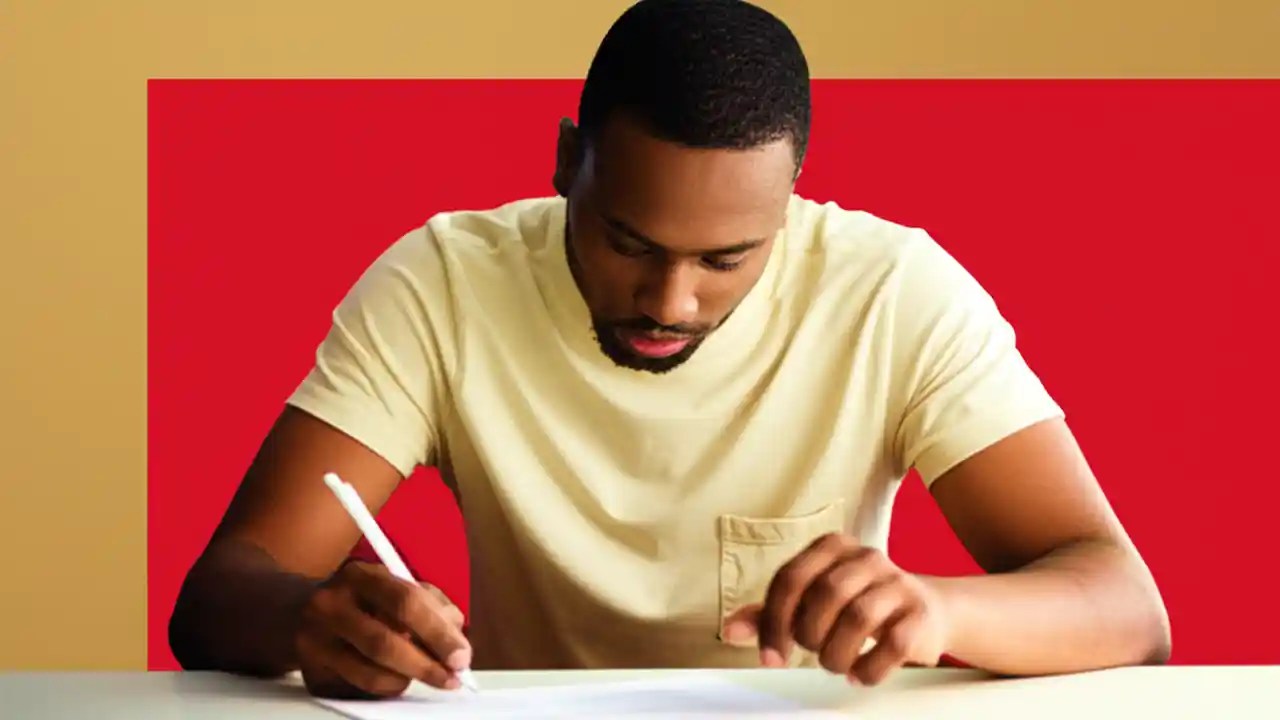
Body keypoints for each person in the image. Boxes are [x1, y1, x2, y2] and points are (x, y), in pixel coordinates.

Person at [168, 0, 1171, 700]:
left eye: (727, 259)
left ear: (788, 209)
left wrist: (938, 611)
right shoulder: (443, 284)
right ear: (567, 161)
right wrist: (311, 619)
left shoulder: (890, 291)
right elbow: (219, 595)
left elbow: (1125, 608)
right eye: (626, 242)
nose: (668, 300)